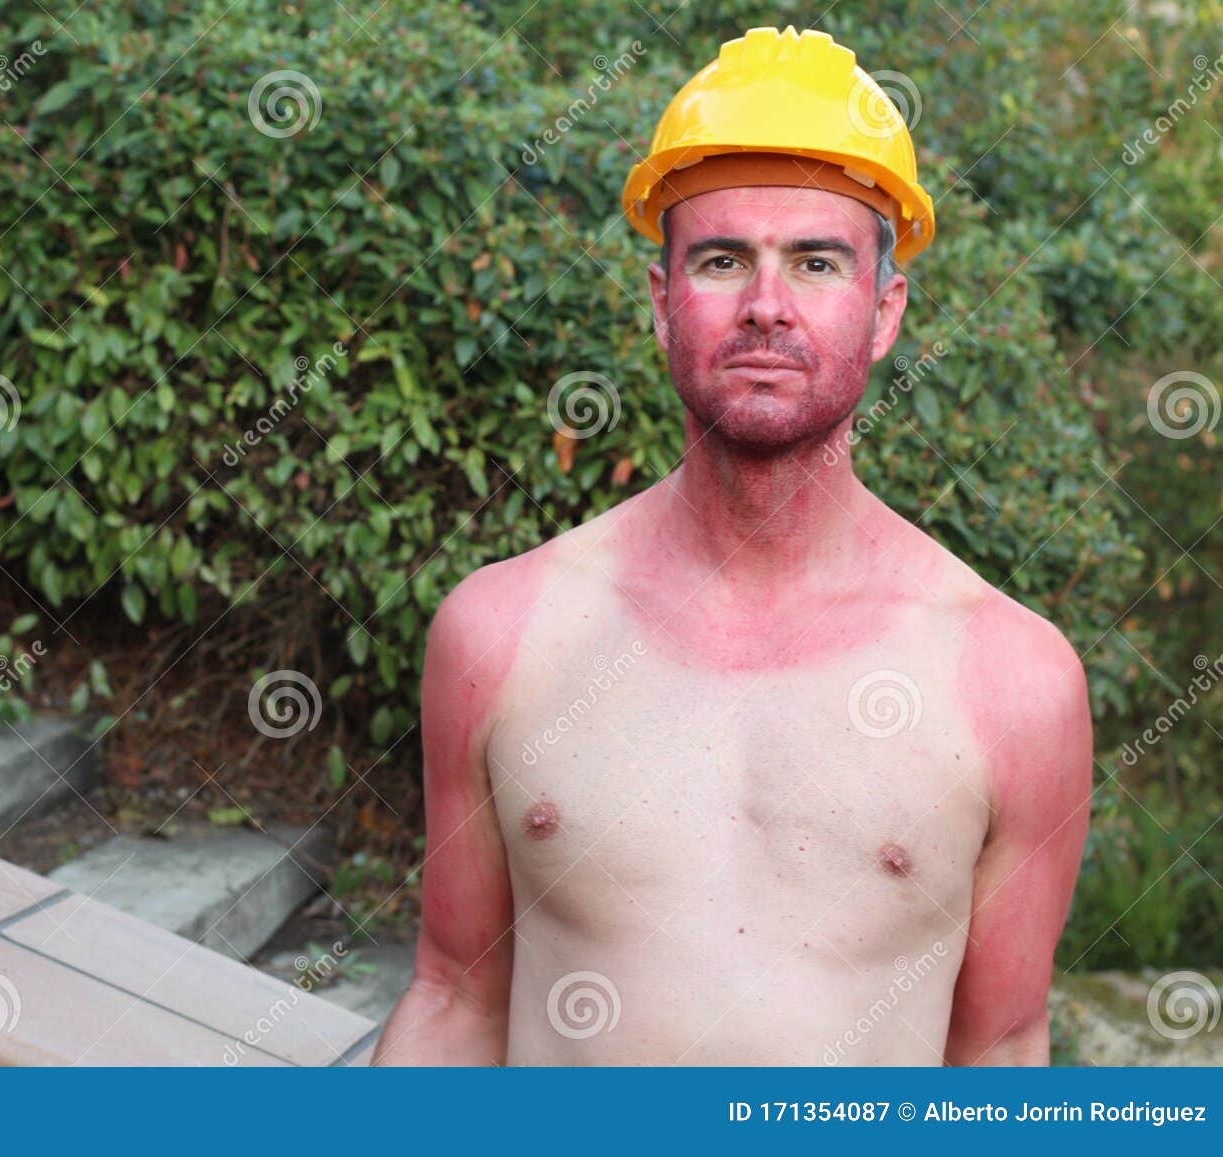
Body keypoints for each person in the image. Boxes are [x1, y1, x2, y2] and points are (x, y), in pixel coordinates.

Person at [372, 25, 1092, 1066]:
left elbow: (999, 1055)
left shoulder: (1014, 681)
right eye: (720, 259)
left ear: (883, 310)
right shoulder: (501, 631)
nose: (765, 305)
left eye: (814, 261)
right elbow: (453, 1000)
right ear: (661, 303)